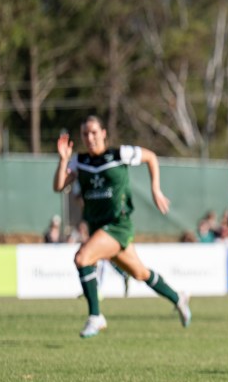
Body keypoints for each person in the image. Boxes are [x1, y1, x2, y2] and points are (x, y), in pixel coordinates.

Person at [53, 116, 191, 338]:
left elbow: (151, 157)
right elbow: (58, 186)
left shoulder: (119, 154)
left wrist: (155, 189)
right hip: (100, 228)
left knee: (82, 258)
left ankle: (96, 317)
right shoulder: (79, 161)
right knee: (141, 273)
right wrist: (63, 161)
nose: (90, 138)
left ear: (104, 133)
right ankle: (178, 297)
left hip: (118, 225)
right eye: (85, 134)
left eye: (94, 132)